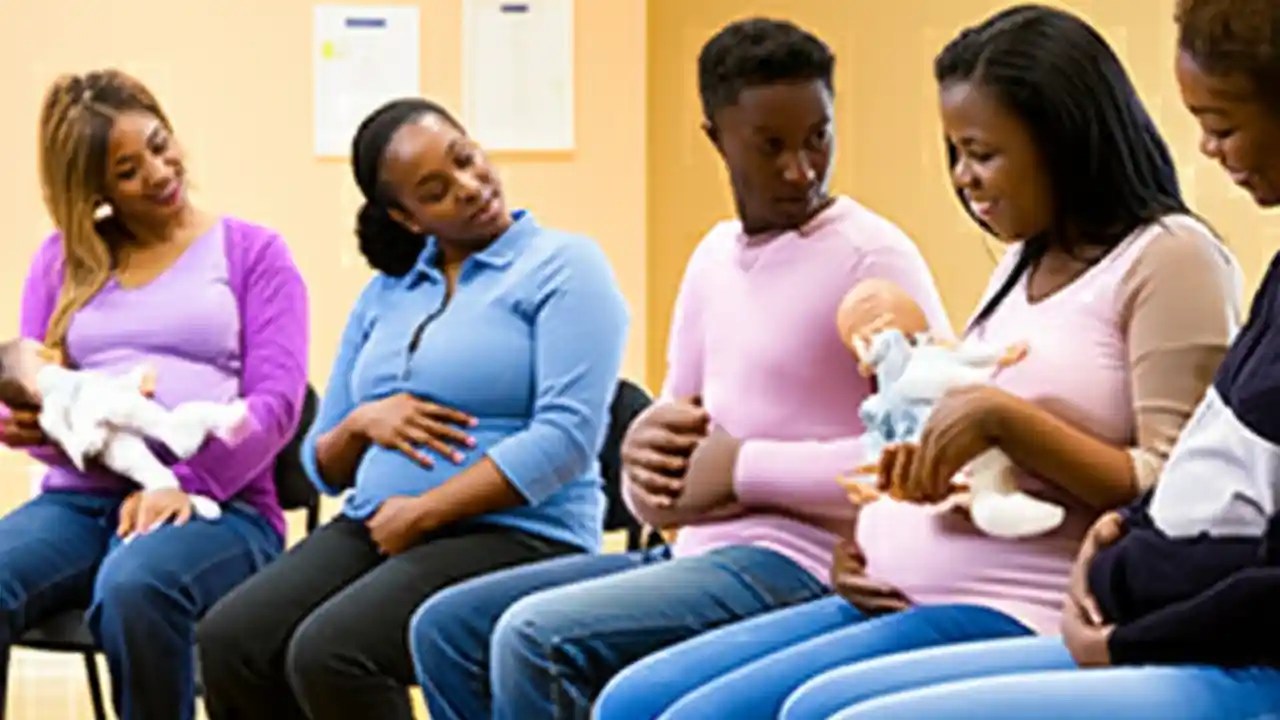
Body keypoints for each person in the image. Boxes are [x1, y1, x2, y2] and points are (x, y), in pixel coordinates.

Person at [591, 6, 1245, 719]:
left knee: (789, 713)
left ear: (1063, 139)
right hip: (892, 589)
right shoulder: (1019, 266)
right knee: (636, 703)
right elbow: (957, 449)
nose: (964, 179)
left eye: (982, 152)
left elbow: (1175, 493)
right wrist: (868, 532)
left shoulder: (1171, 258)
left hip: (1021, 605)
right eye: (954, 154)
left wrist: (1004, 422)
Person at [408, 17, 953, 720]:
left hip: (805, 562)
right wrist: (642, 473)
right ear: (717, 139)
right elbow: (670, 467)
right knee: (447, 627)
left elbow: (929, 455)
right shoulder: (713, 257)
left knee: (534, 639)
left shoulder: (872, 258)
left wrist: (743, 468)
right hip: (695, 552)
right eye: (772, 146)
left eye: (818, 136)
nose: (802, 168)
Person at [194, 97, 630, 720]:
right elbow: (324, 464)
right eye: (436, 189)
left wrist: (426, 512)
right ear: (407, 217)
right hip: (378, 524)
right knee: (232, 638)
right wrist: (362, 422)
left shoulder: (565, 266)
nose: (470, 186)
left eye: (466, 159)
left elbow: (567, 440)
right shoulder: (385, 294)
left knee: (334, 652)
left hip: (519, 533)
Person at [0, 69, 309, 720]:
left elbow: (277, 407)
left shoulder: (254, 253)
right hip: (80, 504)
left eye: (160, 145)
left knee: (137, 585)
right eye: (128, 170)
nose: (161, 172)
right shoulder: (60, 262)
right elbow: (40, 390)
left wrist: (183, 482)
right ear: (94, 190)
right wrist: (29, 424)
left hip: (220, 508)